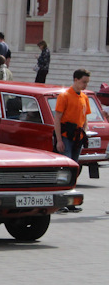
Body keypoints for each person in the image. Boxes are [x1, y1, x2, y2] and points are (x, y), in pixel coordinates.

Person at [54, 69, 91, 211]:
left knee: (74, 168)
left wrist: (85, 131)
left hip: (78, 137)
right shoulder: (64, 96)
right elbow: (57, 119)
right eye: (83, 82)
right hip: (65, 136)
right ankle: (60, 202)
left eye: (87, 82)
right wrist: (59, 140)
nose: (85, 85)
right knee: (66, 168)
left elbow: (85, 118)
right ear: (75, 80)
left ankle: (70, 201)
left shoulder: (84, 97)